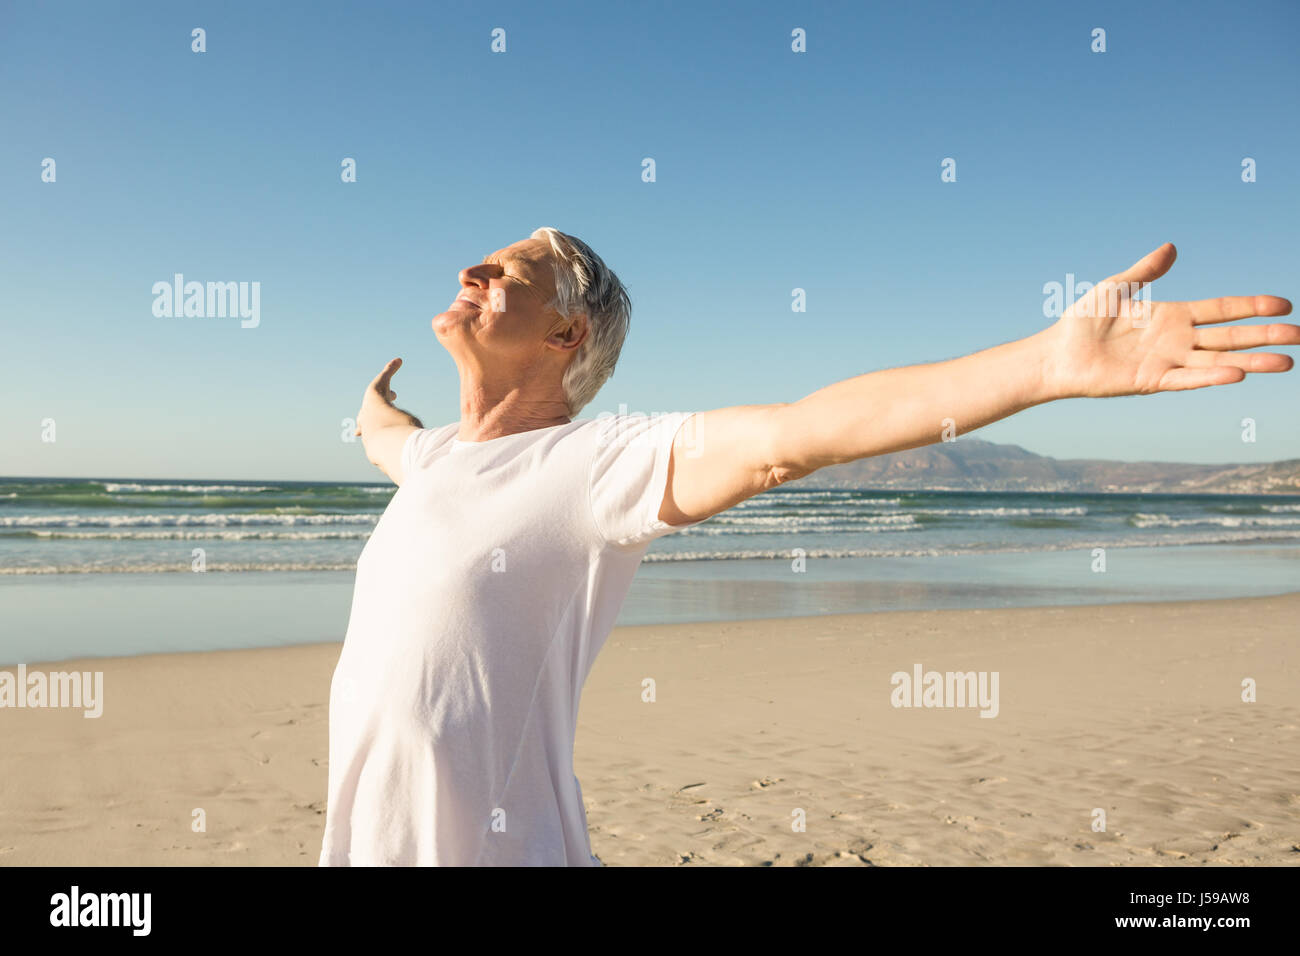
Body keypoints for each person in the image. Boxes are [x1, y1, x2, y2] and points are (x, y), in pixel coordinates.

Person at [319, 227, 1295, 865]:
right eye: (475, 265)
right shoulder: (436, 457)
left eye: (505, 274)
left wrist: (1045, 362)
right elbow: (382, 435)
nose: (470, 274)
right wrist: (372, 406)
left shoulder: (595, 464)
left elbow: (799, 431)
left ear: (566, 336)